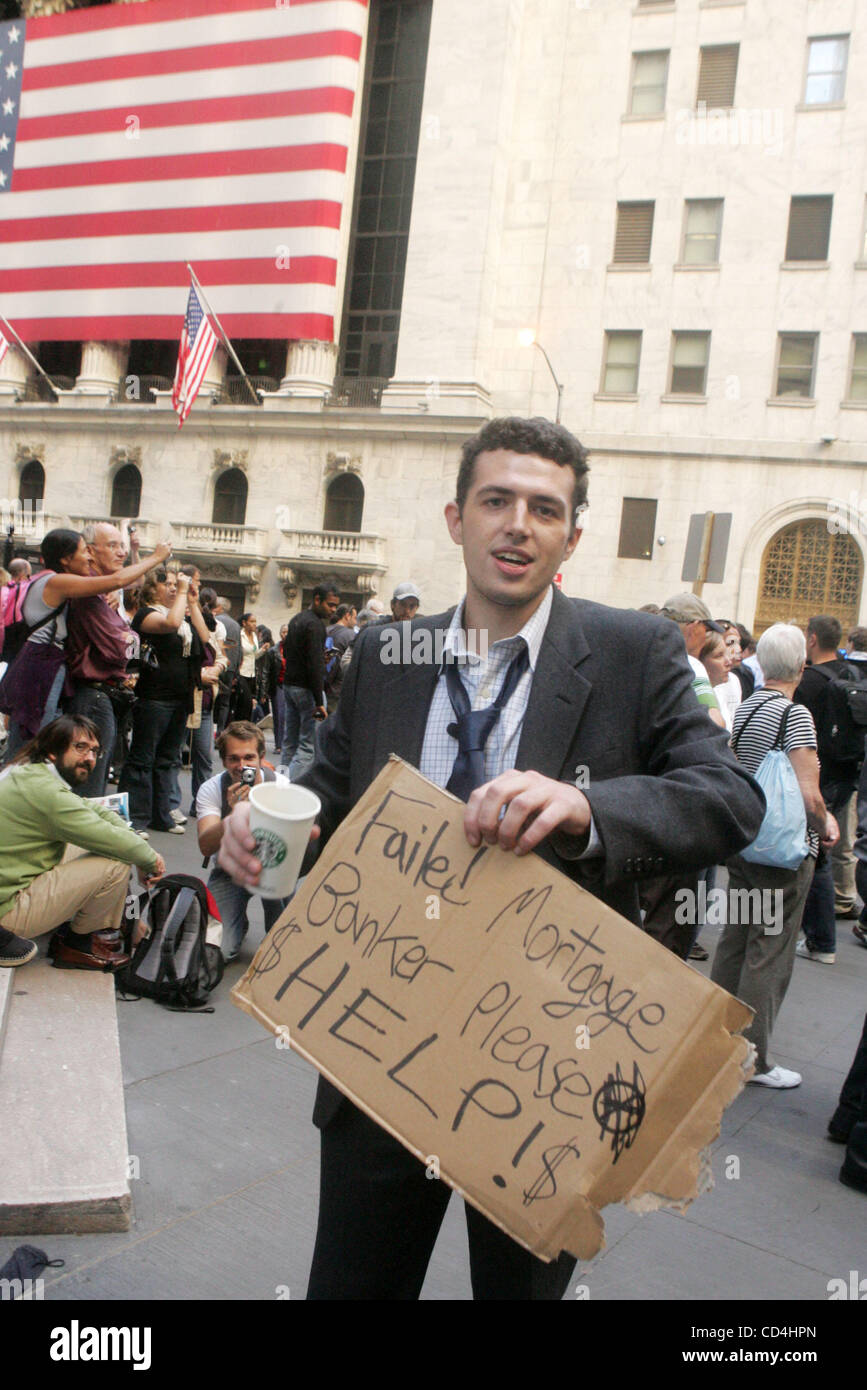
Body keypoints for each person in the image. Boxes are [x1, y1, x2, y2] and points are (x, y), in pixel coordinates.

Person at [219, 415, 765, 1301]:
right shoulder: (385, 655)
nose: (517, 524)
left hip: (542, 1071)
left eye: (543, 509)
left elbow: (731, 798)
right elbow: (331, 786)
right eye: (496, 500)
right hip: (375, 1045)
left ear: (571, 536)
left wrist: (588, 806)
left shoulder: (634, 651)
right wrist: (264, 825)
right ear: (455, 518)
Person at [711, 623, 839, 1089]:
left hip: (745, 839)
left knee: (736, 938)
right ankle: (753, 1058)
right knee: (769, 950)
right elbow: (810, 795)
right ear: (801, 667)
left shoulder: (746, 708)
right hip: (782, 851)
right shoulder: (794, 714)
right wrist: (826, 823)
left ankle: (717, 1037)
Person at [0, 716, 165, 970]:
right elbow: (111, 839)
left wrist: (134, 845)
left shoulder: (28, 772)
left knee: (103, 846)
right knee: (115, 864)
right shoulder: (47, 793)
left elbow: (90, 809)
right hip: (6, 913)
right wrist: (150, 860)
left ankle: (93, 927)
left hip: (8, 888)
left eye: (95, 751)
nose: (89, 758)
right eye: (80, 748)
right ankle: (78, 945)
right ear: (54, 751)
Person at [0, 529, 170, 761]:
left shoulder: (55, 580)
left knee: (36, 743)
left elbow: (123, 582)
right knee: (33, 745)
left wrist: (114, 588)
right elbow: (118, 580)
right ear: (65, 559)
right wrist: (156, 557)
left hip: (45, 664)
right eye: (84, 552)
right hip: (41, 665)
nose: (88, 558)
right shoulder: (58, 581)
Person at [118, 566, 209, 834]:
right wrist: (182, 590)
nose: (173, 587)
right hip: (154, 696)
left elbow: (204, 639)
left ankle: (161, 816)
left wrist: (192, 599)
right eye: (167, 583)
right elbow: (168, 625)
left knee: (168, 759)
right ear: (151, 589)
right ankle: (135, 818)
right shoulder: (148, 615)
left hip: (181, 698)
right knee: (142, 759)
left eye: (174, 584)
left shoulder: (182, 617)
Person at [795, 615, 863, 955]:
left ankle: (820, 939)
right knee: (831, 845)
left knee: (815, 853)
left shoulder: (808, 683)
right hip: (846, 773)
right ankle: (822, 929)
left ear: (811, 639)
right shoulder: (848, 674)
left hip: (817, 775)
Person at [196, 721, 291, 962]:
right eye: (233, 759)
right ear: (224, 761)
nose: (242, 766)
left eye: (249, 758)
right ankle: (236, 921)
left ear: (261, 757)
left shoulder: (280, 787)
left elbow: (291, 846)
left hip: (272, 869)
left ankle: (276, 932)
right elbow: (206, 846)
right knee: (220, 951)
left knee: (284, 949)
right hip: (230, 870)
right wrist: (231, 814)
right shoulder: (212, 789)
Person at [65, 522, 141, 798]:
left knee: (94, 780)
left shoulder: (104, 594)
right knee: (89, 784)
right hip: (93, 695)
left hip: (101, 696)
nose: (120, 553)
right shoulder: (90, 593)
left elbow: (128, 650)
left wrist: (128, 635)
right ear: (91, 551)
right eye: (112, 546)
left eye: (121, 546)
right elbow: (122, 653)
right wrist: (131, 638)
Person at [280, 579, 340, 779]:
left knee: (290, 742)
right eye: (330, 605)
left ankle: (279, 787)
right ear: (317, 600)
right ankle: (289, 791)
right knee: (307, 747)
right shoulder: (315, 625)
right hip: (306, 691)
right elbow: (315, 667)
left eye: (335, 606)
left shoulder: (297, 619)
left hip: (290, 687)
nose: (333, 610)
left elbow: (287, 651)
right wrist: (318, 702)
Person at [212, 597, 241, 734]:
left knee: (211, 698)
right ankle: (220, 731)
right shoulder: (235, 625)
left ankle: (208, 729)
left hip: (215, 664)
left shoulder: (215, 621)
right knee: (225, 702)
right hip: (230, 668)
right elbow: (238, 649)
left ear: (220, 608)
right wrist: (235, 671)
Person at [235, 613, 260, 721]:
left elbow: (254, 655)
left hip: (252, 673)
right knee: (245, 702)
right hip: (241, 672)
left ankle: (245, 727)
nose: (254, 624)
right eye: (252, 621)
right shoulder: (240, 635)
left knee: (249, 704)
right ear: (244, 623)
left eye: (255, 621)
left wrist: (263, 650)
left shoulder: (254, 636)